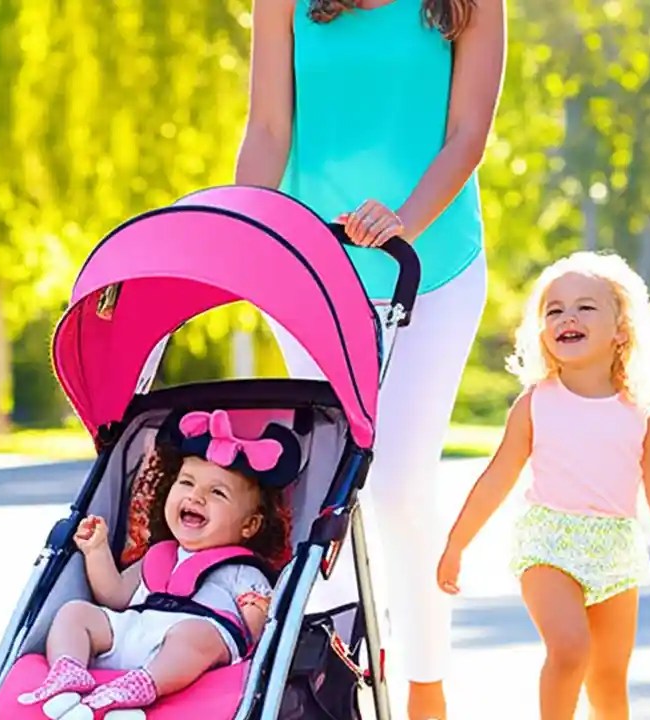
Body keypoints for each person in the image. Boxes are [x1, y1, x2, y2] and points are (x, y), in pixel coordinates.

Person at [234, 1, 504, 716]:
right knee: (328, 484)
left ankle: (424, 682)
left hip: (431, 265)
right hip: (313, 268)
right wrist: (240, 227)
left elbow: (467, 134)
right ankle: (337, 680)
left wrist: (404, 221)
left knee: (400, 483)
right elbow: (267, 130)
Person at [437, 251, 650, 720]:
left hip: (615, 550)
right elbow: (497, 478)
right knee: (571, 649)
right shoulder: (535, 404)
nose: (567, 317)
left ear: (621, 330)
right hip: (548, 544)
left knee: (609, 682)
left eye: (585, 307)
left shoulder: (644, 412)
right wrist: (457, 545)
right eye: (554, 310)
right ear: (543, 333)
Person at [17, 409, 297, 719]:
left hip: (191, 647)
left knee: (195, 634)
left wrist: (259, 625)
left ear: (249, 525)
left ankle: (146, 684)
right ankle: (68, 671)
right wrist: (96, 550)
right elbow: (115, 596)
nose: (196, 497)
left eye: (217, 492)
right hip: (133, 630)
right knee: (75, 612)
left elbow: (260, 629)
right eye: (187, 483)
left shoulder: (242, 571)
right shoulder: (157, 556)